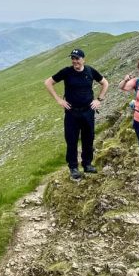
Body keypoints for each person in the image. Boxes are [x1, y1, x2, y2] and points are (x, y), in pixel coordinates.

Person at [44, 48, 109, 180]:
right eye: (73, 58)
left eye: (77, 58)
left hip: (88, 111)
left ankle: (87, 164)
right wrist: (59, 100)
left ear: (83, 59)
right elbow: (48, 82)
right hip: (71, 112)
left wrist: (99, 99)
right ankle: (73, 167)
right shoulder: (67, 72)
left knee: (88, 138)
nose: (75, 61)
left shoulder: (90, 71)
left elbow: (105, 83)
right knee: (71, 140)